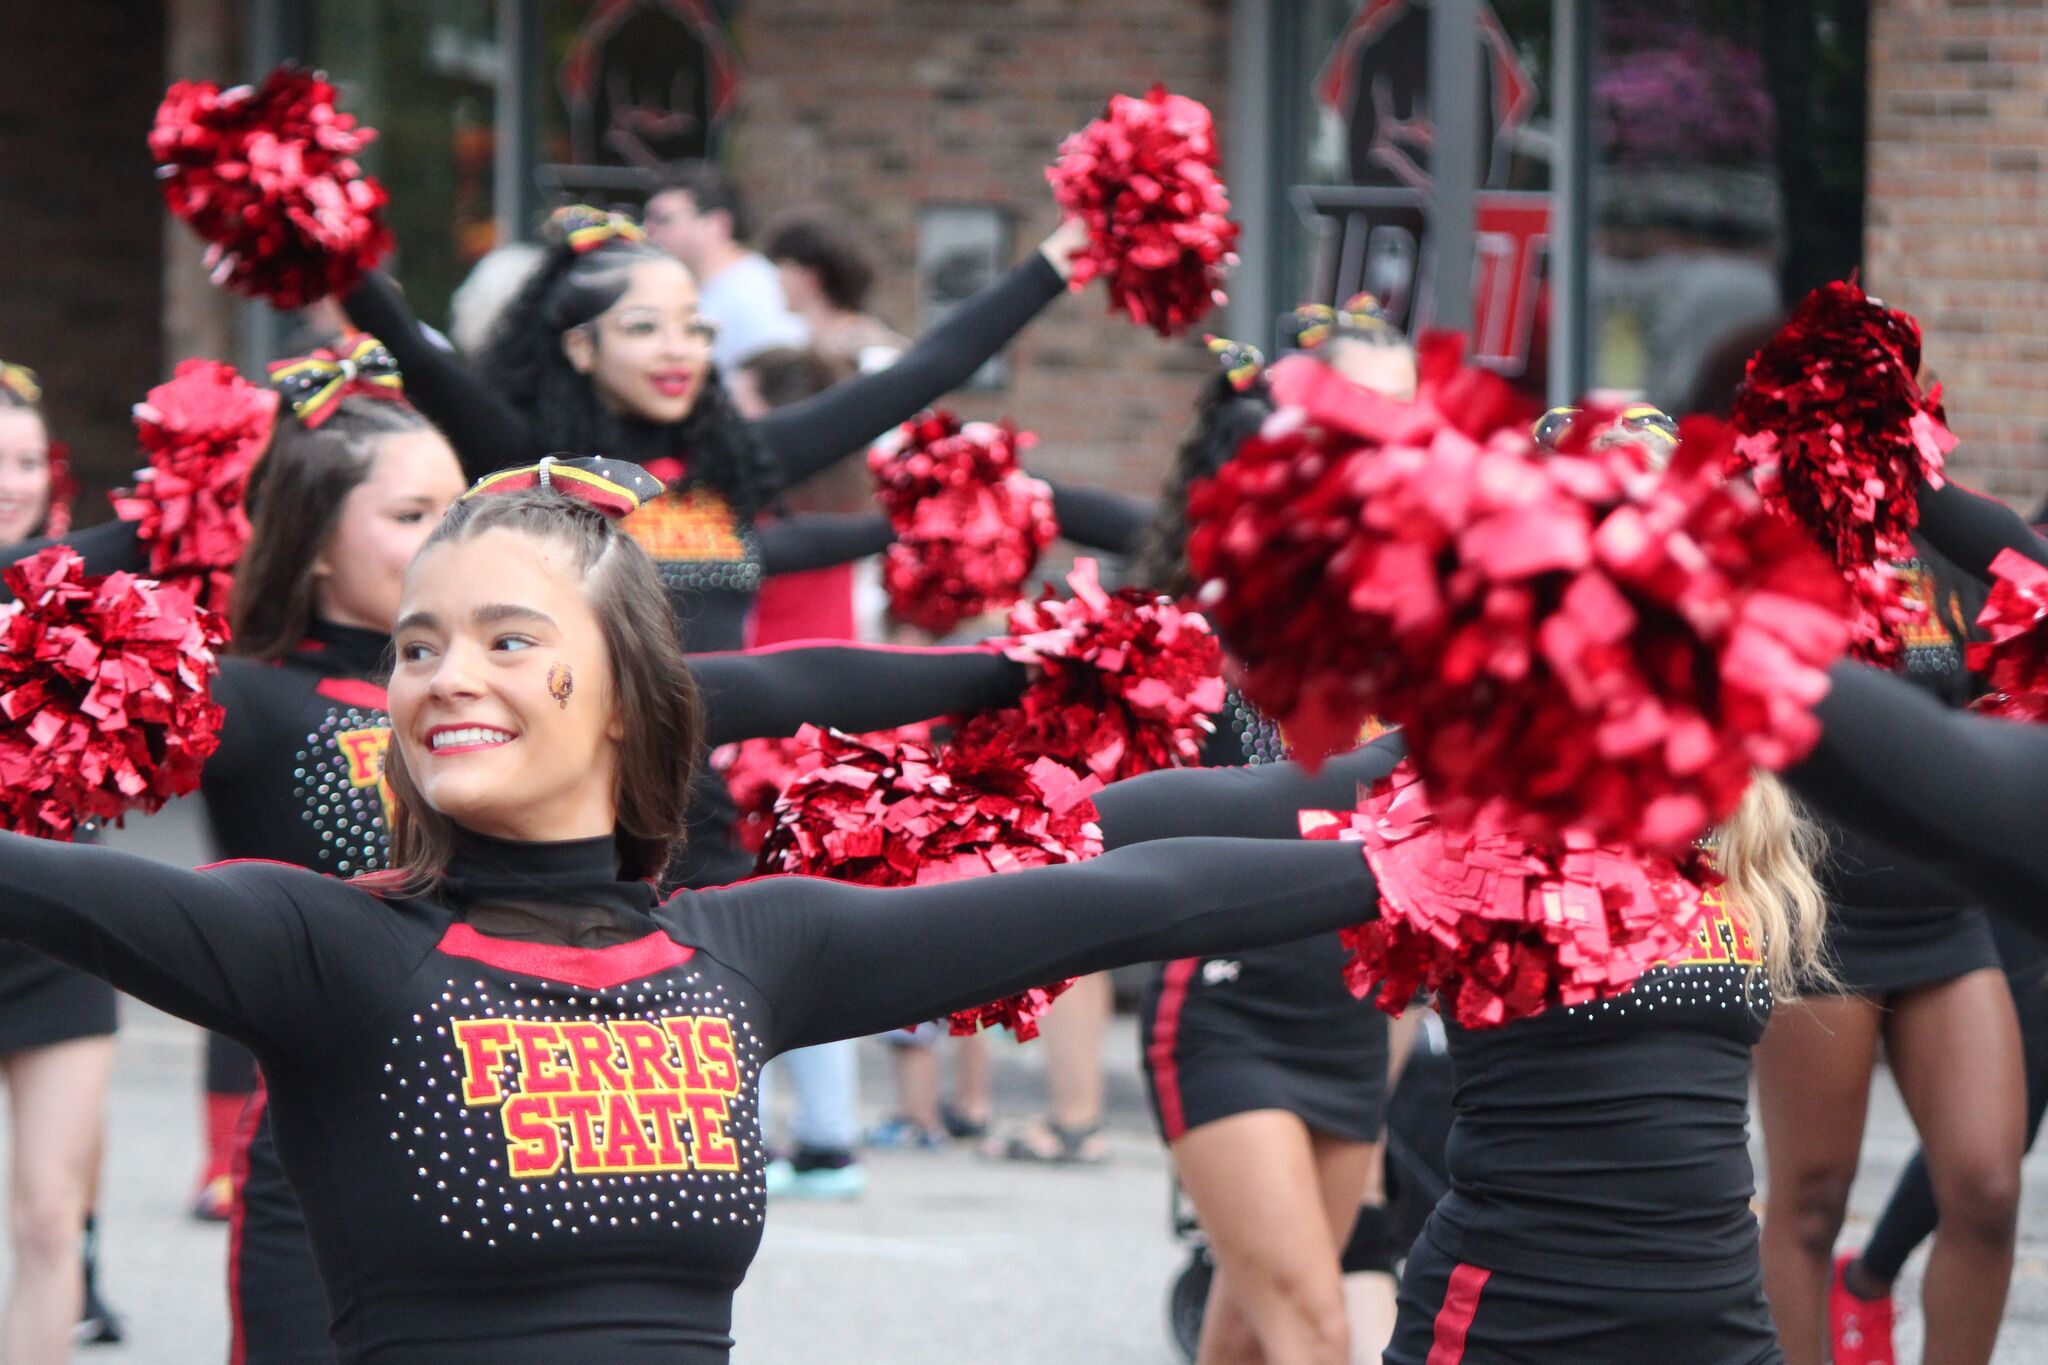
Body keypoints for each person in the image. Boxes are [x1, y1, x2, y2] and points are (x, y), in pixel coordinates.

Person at [0, 458, 1384, 1363]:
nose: (440, 676)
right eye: (420, 645)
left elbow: (1123, 888)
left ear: (626, 698)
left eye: (506, 638)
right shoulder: (317, 946)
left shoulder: (742, 951)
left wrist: (1432, 830)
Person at [341, 203, 1088, 887]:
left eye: (695, 327)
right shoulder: (531, 465)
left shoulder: (733, 464)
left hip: (712, 819)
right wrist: (314, 228)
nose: (679, 350)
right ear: (580, 346)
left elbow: (927, 369)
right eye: (645, 327)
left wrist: (1058, 257)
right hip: (568, 828)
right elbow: (414, 348)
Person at [1753, 534, 2025, 1365]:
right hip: (1818, 921)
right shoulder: (1764, 531)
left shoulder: (1935, 542)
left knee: (1986, 1188)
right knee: (1811, 1201)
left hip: (1947, 916)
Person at [0, 363, 119, 1360]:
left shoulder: (85, 589)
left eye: (29, 460)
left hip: (57, 938)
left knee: (49, 1221)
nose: (12, 481)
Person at [643, 163, 808, 369]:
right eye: (647, 220)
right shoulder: (696, 287)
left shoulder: (758, 293)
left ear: (717, 225)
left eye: (663, 220)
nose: (649, 231)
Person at [761, 209, 910, 372]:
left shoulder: (872, 349)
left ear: (810, 276)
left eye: (783, 268)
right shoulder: (812, 345)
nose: (778, 279)